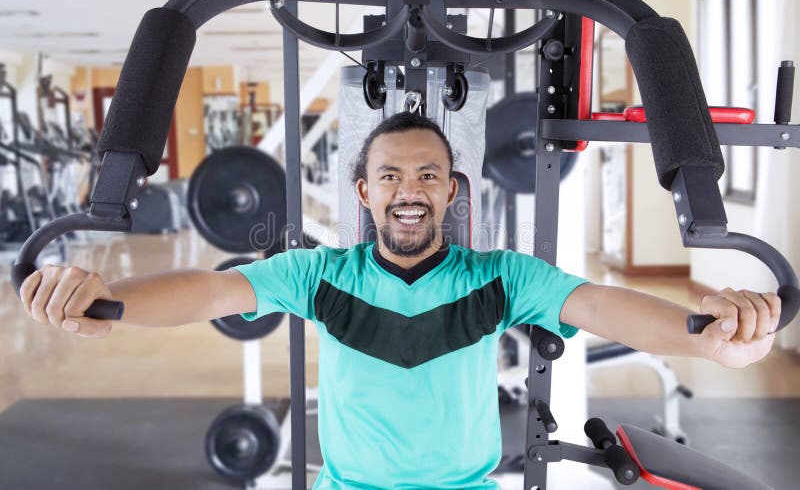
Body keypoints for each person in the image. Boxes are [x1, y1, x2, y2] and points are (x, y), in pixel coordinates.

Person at [18, 112, 780, 489]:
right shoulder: (318, 274)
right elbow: (213, 290)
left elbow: (601, 306)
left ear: (452, 191)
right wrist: (107, 300)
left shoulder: (503, 278)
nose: (408, 191)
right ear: (364, 192)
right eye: (390, 176)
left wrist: (700, 334)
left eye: (425, 176)